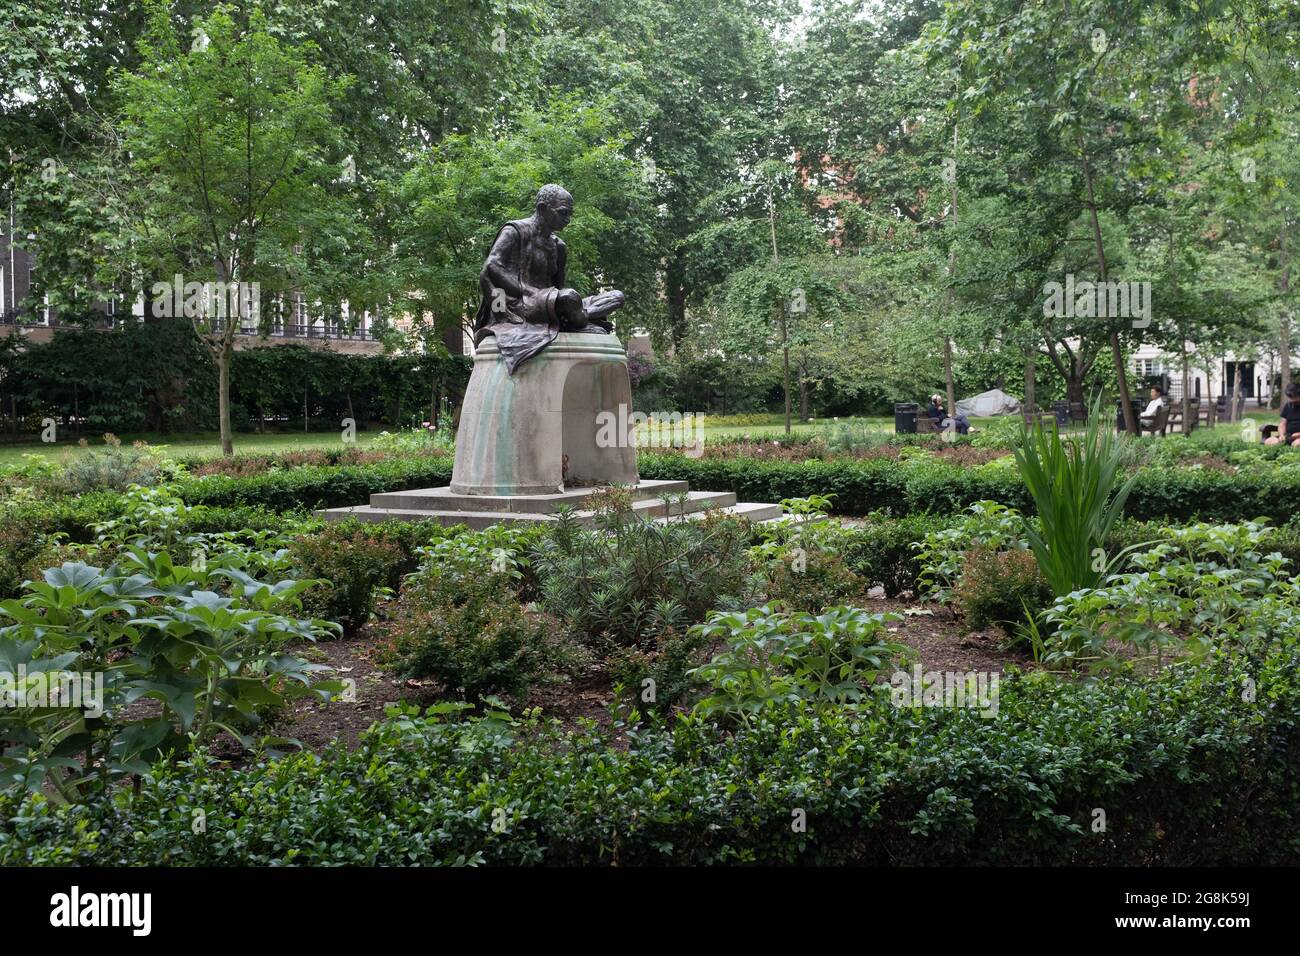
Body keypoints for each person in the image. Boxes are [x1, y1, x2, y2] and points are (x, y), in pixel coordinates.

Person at [473, 184, 625, 373]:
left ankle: (577, 316)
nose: (567, 220)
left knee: (617, 297)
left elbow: (558, 288)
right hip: (519, 302)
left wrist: (559, 304)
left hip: (547, 303)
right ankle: (582, 318)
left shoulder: (559, 246)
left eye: (570, 214)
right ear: (542, 208)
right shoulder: (515, 231)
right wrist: (523, 295)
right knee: (570, 298)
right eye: (563, 213)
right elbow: (492, 267)